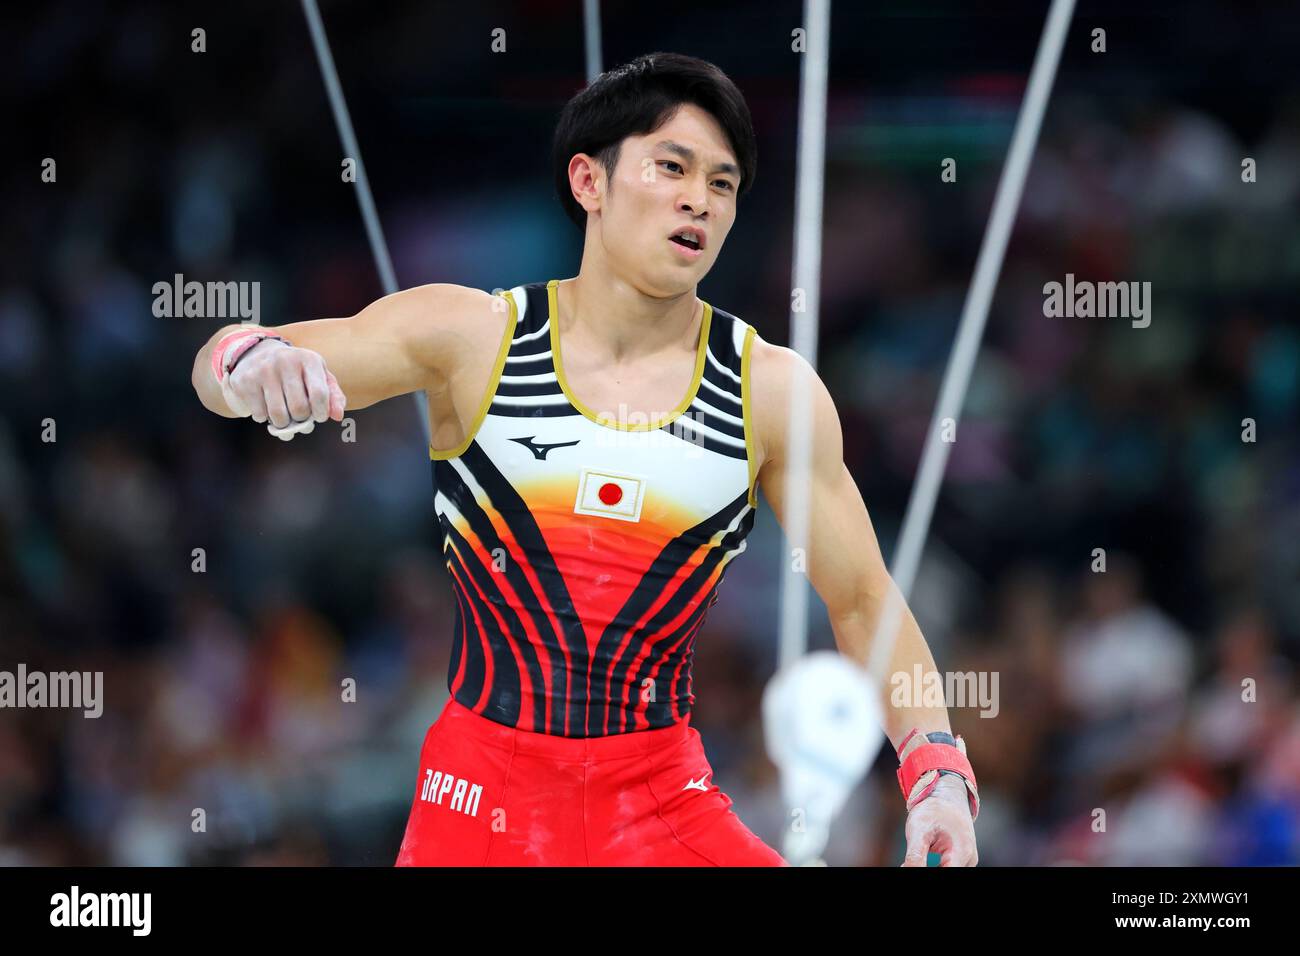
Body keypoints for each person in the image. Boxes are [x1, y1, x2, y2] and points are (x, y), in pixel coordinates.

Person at [191, 52, 979, 866]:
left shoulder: (770, 393)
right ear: (588, 182)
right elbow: (220, 366)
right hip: (479, 800)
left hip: (658, 803)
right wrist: (249, 361)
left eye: (722, 183)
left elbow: (862, 602)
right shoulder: (473, 339)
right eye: (671, 166)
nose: (697, 200)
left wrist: (937, 775)